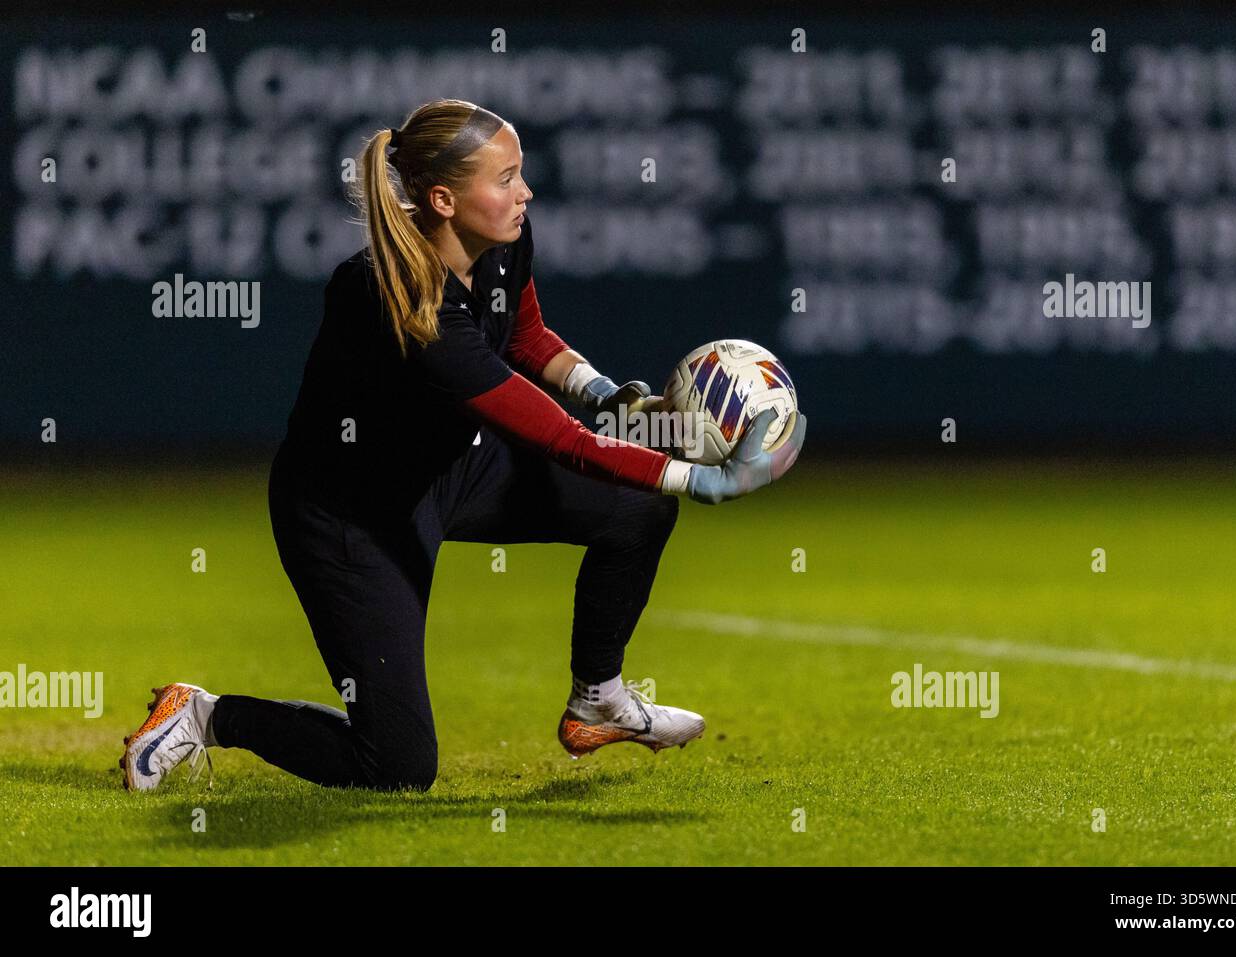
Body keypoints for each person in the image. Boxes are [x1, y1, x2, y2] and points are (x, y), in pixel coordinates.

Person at [120, 99, 806, 793]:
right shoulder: (394, 296)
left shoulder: (503, 241)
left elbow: (528, 334)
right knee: (396, 767)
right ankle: (206, 715)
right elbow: (558, 439)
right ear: (444, 198)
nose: (525, 193)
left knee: (636, 507)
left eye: (522, 174)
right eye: (505, 178)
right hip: (352, 514)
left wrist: (604, 389)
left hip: (455, 465)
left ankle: (598, 696)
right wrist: (704, 480)